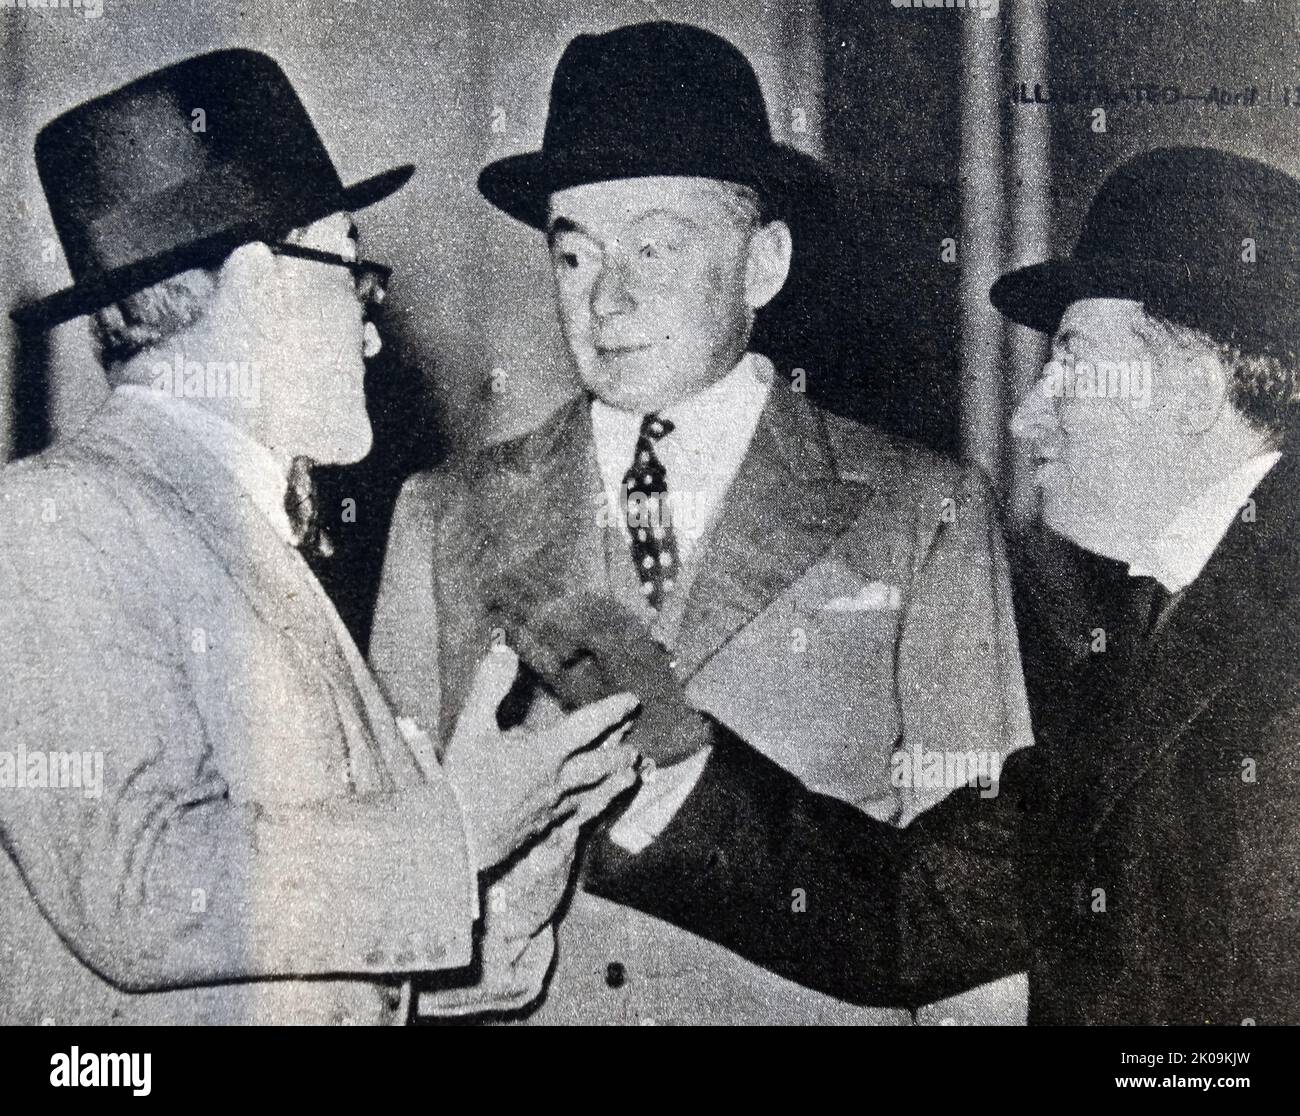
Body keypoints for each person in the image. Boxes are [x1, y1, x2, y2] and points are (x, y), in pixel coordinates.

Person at [370, 21, 1032, 1024]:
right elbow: (387, 897)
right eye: (574, 254)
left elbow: (976, 928)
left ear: (762, 264)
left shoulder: (922, 511)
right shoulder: (442, 517)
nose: (608, 298)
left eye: (653, 245)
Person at [557, 145, 1300, 1025]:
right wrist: (676, 763)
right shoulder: (1144, 631)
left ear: (1193, 389)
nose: (1029, 417)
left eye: (1072, 360)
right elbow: (921, 911)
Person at [0, 49, 638, 1026]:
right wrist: (457, 827)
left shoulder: (236, 523)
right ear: (260, 284)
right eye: (355, 276)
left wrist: (514, 869)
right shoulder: (57, 518)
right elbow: (136, 886)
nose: (374, 334)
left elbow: (307, 968)